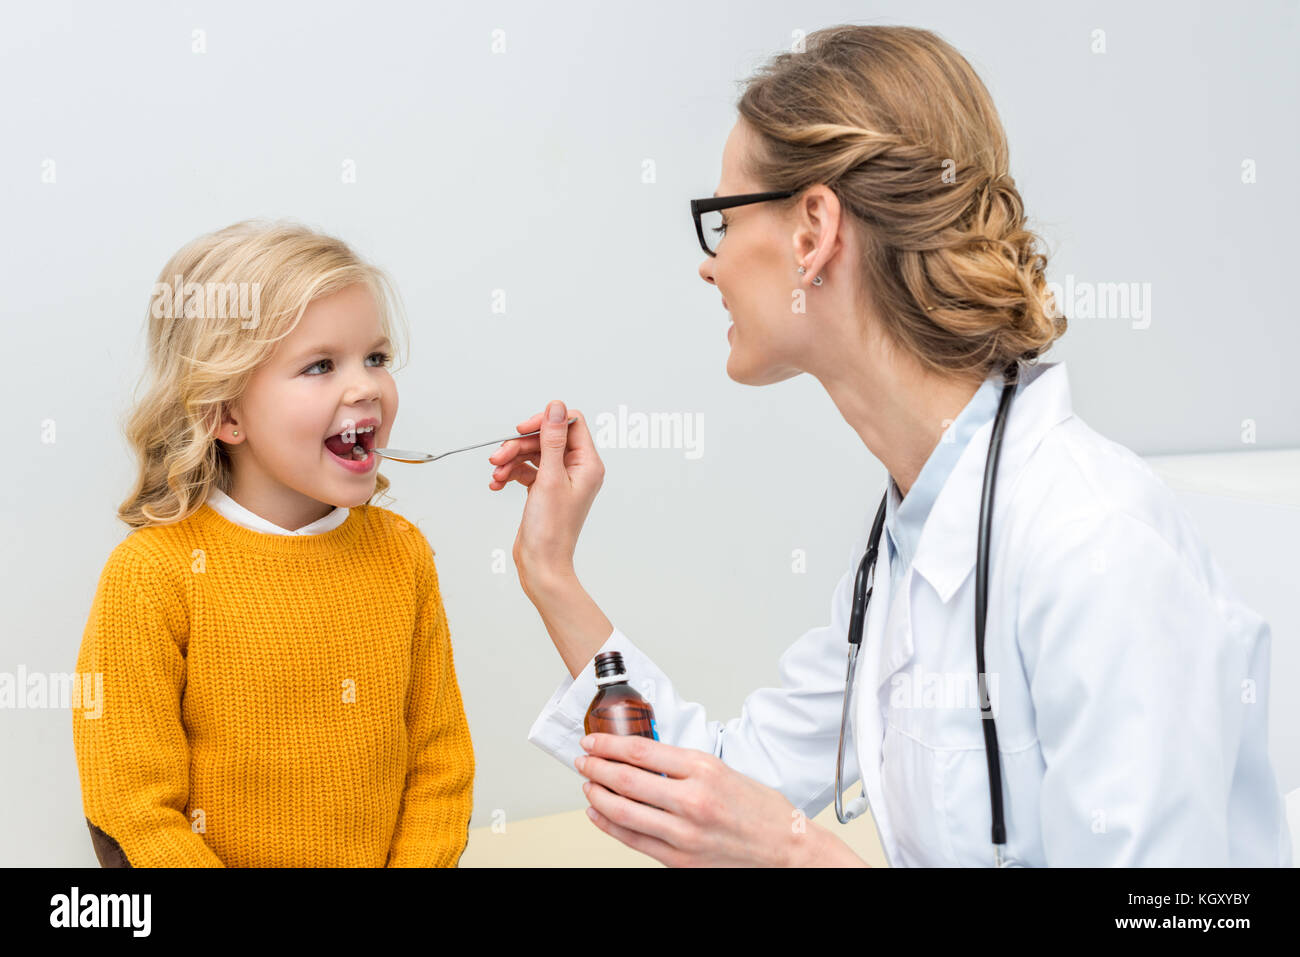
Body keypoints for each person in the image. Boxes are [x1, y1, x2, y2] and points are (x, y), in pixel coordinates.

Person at [486, 25, 1291, 866]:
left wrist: (805, 856)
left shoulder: (1095, 541)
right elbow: (717, 782)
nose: (711, 267)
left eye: (720, 220)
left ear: (813, 231)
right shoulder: (905, 551)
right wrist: (551, 572)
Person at [72, 221, 474, 866]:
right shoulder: (152, 575)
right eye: (320, 365)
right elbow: (131, 804)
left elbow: (439, 763)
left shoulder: (402, 553)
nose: (366, 385)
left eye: (375, 357)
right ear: (224, 413)